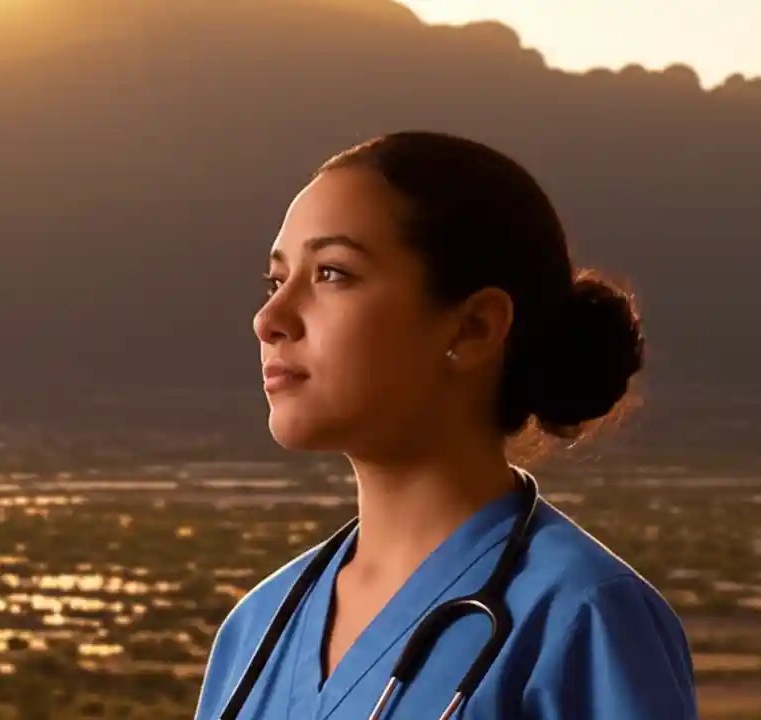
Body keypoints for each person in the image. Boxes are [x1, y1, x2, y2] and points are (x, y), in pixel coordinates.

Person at [193, 131, 698, 719]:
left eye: (332, 273)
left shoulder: (582, 618)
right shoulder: (256, 632)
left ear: (474, 328)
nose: (269, 319)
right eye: (277, 281)